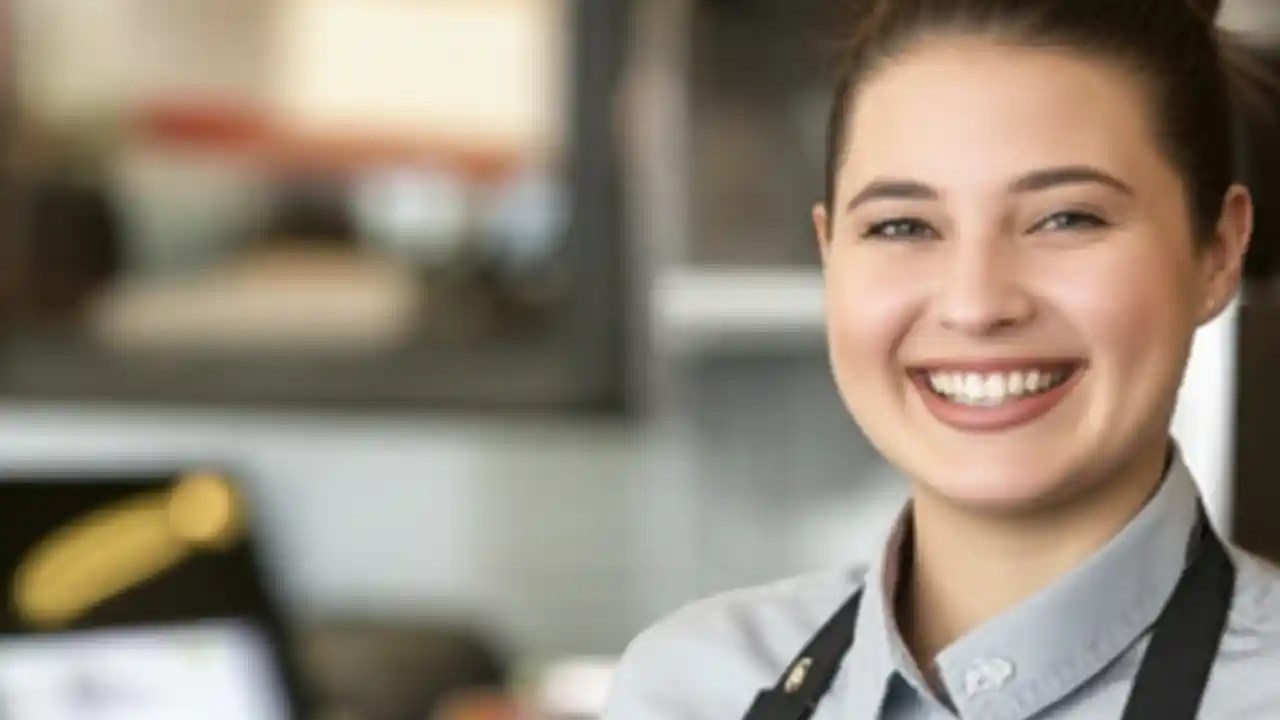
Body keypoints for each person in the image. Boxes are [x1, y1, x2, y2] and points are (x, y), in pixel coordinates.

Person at [604, 0, 1280, 717]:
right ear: (829, 253)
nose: (976, 304)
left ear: (1218, 250)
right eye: (904, 225)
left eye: (1066, 217)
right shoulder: (690, 687)